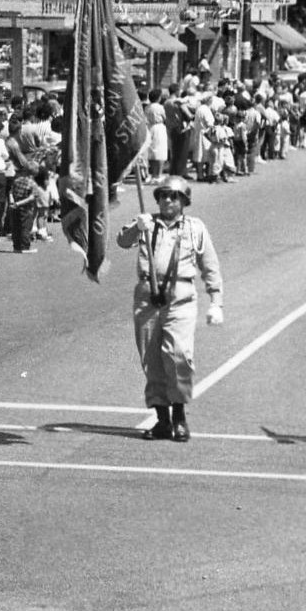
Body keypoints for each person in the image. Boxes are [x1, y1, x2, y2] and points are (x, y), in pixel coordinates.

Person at [116, 175, 224, 442]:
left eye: (173, 196)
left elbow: (209, 265)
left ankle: (179, 415)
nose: (167, 200)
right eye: (163, 195)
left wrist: (216, 301)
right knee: (151, 360)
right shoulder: (146, 222)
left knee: (178, 356)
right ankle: (162, 419)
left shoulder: (195, 228)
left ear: (184, 201)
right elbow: (122, 241)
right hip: (147, 299)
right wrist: (136, 228)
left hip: (181, 299)